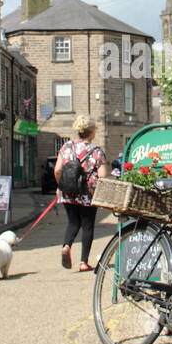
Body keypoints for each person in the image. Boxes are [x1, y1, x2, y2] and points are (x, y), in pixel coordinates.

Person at [54, 115, 109, 272]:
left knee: (72, 222)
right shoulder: (96, 151)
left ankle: (66, 246)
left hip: (67, 192)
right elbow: (103, 175)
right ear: (91, 132)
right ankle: (83, 262)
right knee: (88, 225)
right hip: (87, 194)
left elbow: (58, 170)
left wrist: (63, 185)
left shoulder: (66, 147)